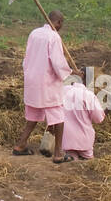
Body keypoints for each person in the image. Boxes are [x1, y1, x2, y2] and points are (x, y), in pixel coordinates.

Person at [14, 10, 73, 163]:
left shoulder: (34, 33)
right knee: (58, 116)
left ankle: (20, 145)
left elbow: (27, 57)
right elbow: (57, 62)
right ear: (58, 22)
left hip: (32, 80)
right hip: (47, 83)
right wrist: (71, 73)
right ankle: (59, 153)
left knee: (33, 114)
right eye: (61, 24)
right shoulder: (54, 37)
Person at [60, 72, 105, 159]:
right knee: (88, 160)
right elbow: (98, 119)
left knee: (71, 158)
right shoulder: (89, 95)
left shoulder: (63, 90)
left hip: (65, 140)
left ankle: (71, 158)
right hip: (84, 142)